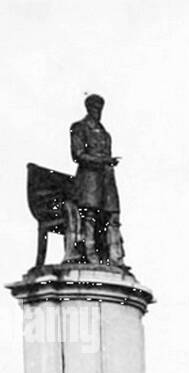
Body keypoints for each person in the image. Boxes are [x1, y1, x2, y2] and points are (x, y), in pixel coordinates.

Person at [68, 93, 124, 265]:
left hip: (107, 180)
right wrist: (103, 161)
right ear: (88, 108)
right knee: (89, 215)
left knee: (112, 216)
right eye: (94, 107)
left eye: (100, 108)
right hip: (89, 179)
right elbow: (78, 155)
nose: (97, 111)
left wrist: (107, 163)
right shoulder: (79, 127)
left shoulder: (106, 134)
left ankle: (115, 257)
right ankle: (89, 252)